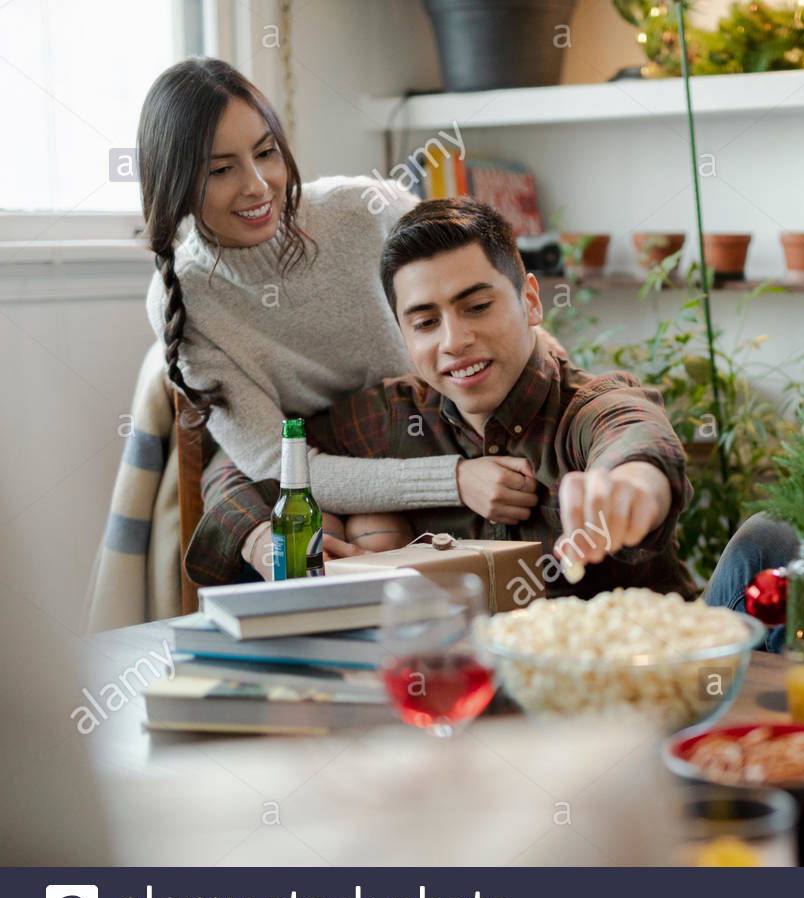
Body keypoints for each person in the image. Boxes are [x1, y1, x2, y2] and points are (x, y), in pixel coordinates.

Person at [138, 58, 548, 575]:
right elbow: (270, 462)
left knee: (373, 538)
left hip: (440, 422)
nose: (259, 186)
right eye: (222, 169)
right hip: (318, 461)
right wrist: (455, 479)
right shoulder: (186, 295)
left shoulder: (365, 211)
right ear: (175, 182)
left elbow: (494, 304)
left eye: (266, 153)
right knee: (309, 544)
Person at [187, 198, 696, 600]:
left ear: (531, 301)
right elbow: (243, 464)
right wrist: (257, 534)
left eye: (477, 306)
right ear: (404, 338)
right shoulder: (395, 416)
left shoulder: (585, 410)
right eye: (426, 323)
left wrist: (629, 484)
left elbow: (636, 435)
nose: (453, 340)